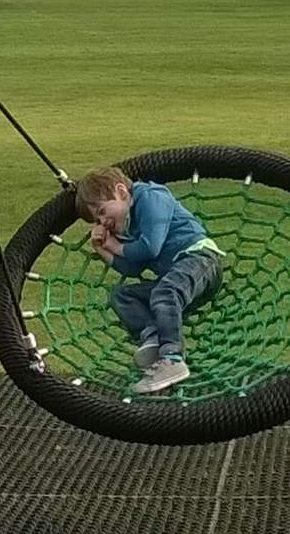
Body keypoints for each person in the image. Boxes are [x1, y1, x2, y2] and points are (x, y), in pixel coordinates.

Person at [76, 166, 225, 393]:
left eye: (103, 211)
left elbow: (150, 248)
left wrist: (115, 245)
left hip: (200, 261)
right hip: (177, 281)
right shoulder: (128, 222)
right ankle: (154, 338)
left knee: (164, 292)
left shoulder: (150, 197)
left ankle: (172, 358)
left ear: (121, 192)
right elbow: (132, 268)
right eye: (98, 219)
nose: (103, 221)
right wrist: (103, 248)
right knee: (122, 295)